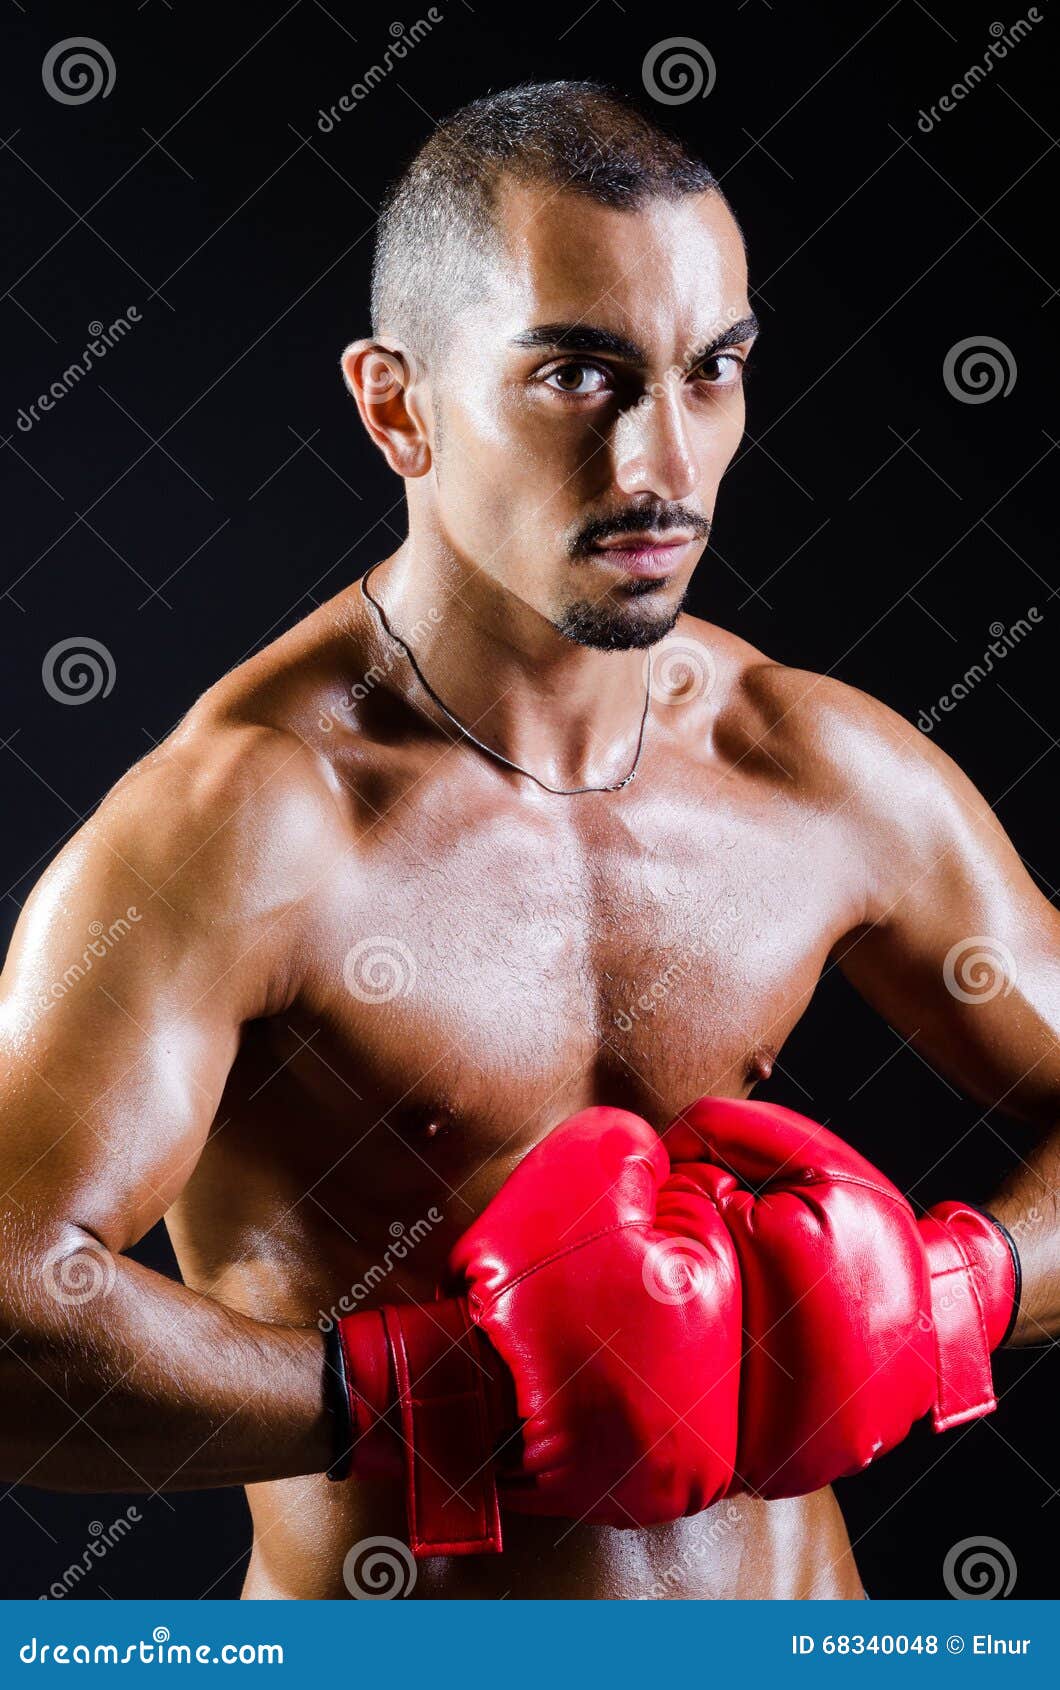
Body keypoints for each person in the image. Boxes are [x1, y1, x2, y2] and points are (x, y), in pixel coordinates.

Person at [0, 81, 1056, 1602]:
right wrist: (407, 1397)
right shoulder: (247, 826)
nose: (661, 463)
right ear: (398, 406)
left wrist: (960, 1291)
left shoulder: (815, 766)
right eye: (578, 373)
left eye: (715, 371)